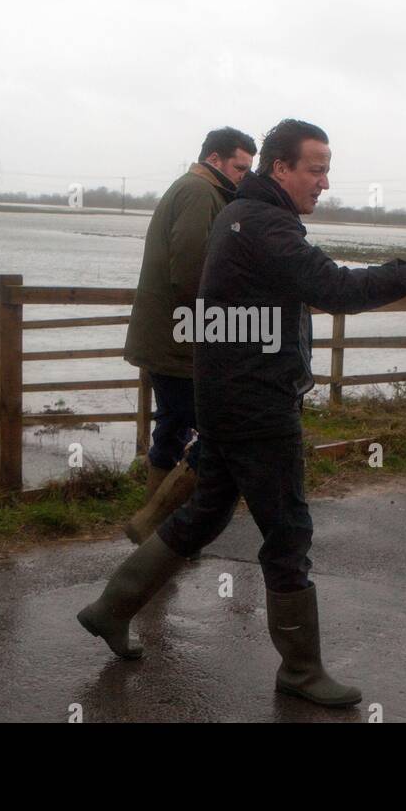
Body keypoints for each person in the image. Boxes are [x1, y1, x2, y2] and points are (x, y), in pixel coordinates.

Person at [80, 119, 406, 708]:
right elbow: (334, 288)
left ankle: (109, 609)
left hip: (229, 395)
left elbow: (308, 287)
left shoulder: (245, 215)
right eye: (314, 169)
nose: (323, 182)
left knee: (204, 515)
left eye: (327, 169)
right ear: (280, 169)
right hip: (254, 403)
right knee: (288, 532)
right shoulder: (262, 223)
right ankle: (300, 669)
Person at [121, 127, 257, 545]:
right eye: (239, 167)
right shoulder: (200, 193)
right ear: (215, 160)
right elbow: (192, 274)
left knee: (174, 424)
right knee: (223, 430)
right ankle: (157, 524)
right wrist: (223, 327)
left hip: (167, 337)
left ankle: (154, 526)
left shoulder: (196, 189)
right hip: (182, 342)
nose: (244, 177)